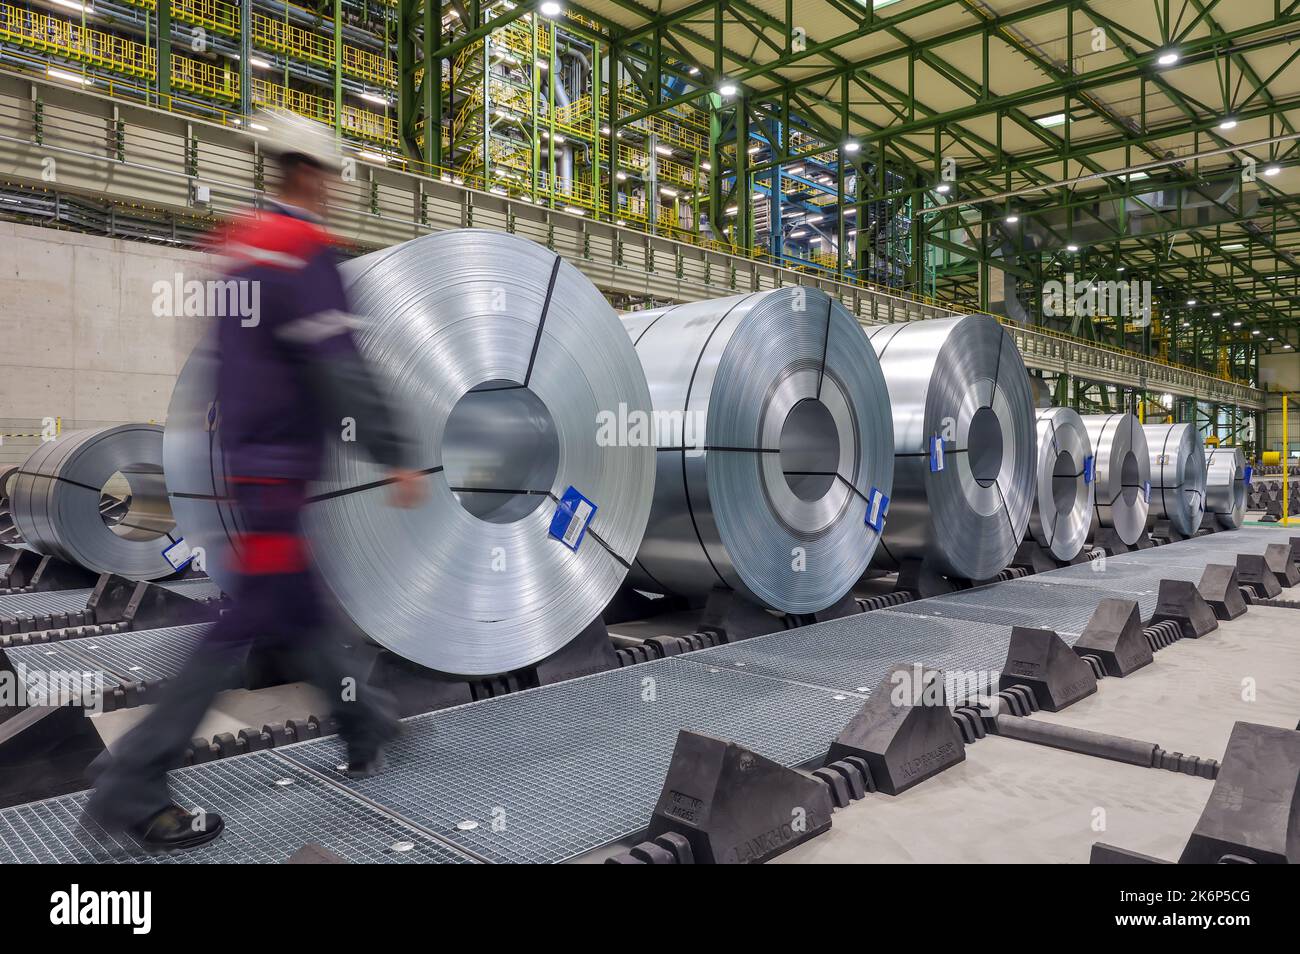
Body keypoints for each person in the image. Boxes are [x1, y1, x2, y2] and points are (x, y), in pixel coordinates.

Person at [84, 110, 428, 852]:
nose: (335, 193)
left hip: (248, 468)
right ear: (309, 174)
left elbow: (223, 366)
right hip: (277, 478)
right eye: (332, 178)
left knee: (302, 612)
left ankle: (363, 721)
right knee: (239, 626)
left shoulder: (239, 246)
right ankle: (132, 783)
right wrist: (395, 451)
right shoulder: (300, 252)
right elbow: (341, 367)